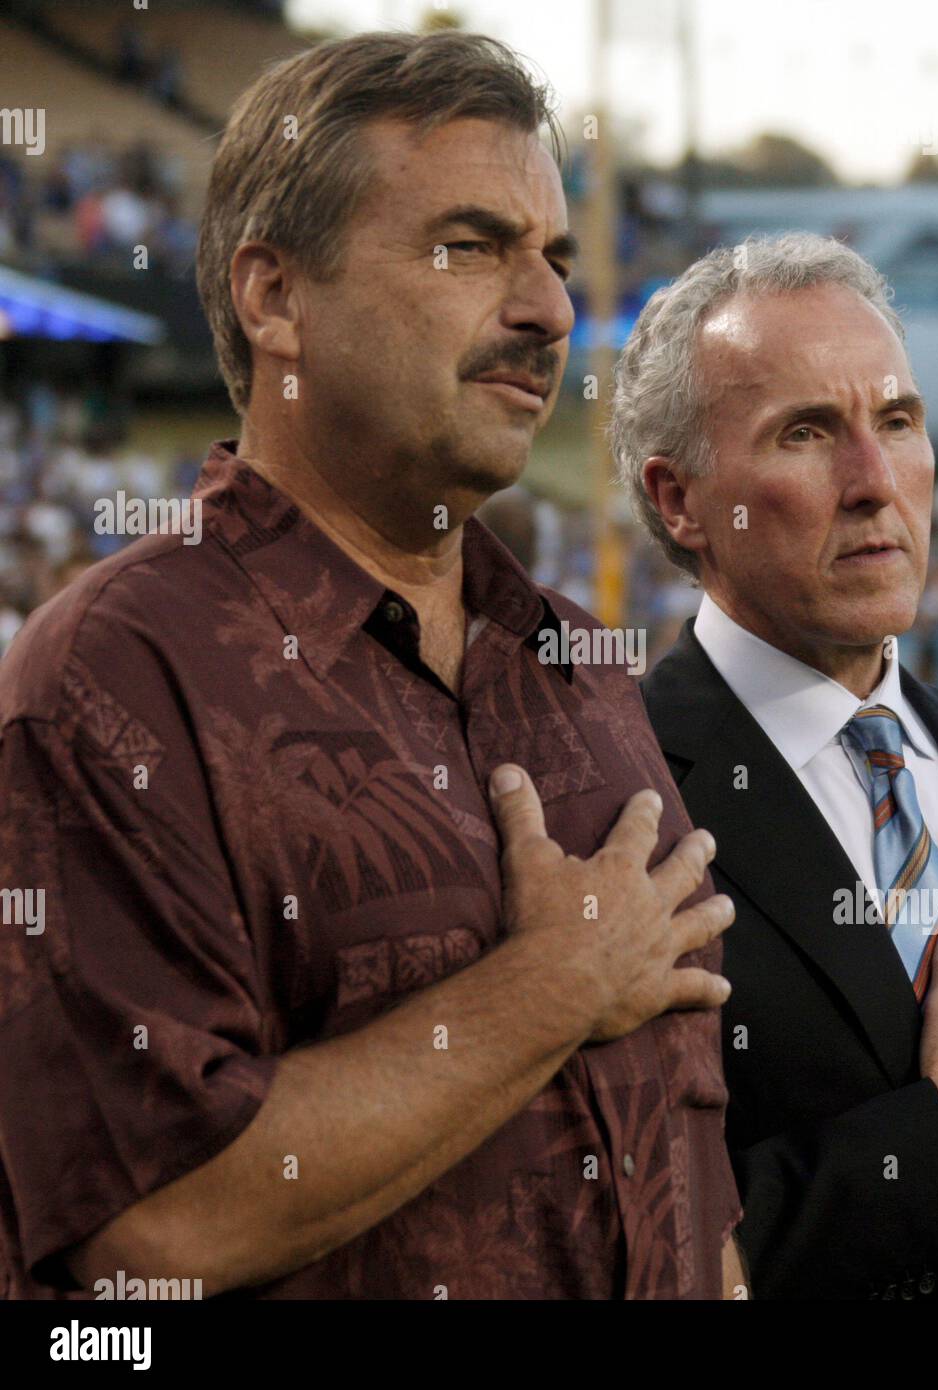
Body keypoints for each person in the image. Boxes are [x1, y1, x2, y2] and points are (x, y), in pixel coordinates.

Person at [0, 32, 743, 1301]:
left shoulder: (579, 662)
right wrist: (549, 988)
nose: (548, 308)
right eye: (470, 247)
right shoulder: (116, 676)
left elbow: (686, 1141)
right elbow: (149, 1233)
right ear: (274, 299)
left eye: (553, 258)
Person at [617, 232, 938, 1299]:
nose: (875, 481)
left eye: (897, 422)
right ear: (681, 499)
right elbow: (610, 1252)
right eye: (806, 432)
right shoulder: (612, 799)